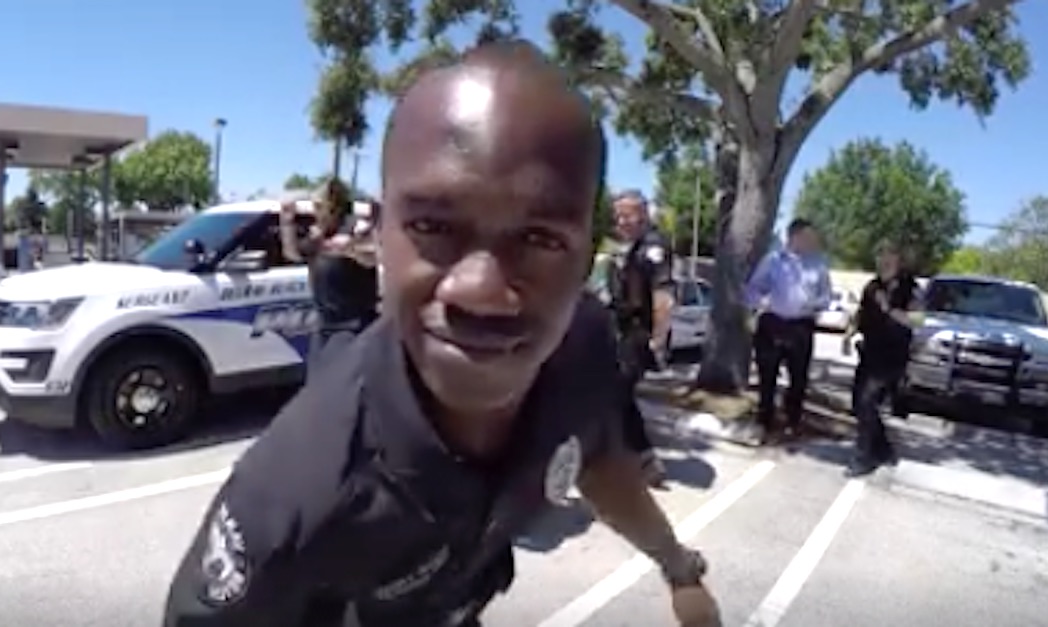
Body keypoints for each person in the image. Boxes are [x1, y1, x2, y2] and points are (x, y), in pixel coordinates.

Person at [163, 40, 719, 627]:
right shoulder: (298, 497)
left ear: (587, 261)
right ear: (381, 242)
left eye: (539, 239)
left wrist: (678, 570)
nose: (480, 289)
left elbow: (599, 464)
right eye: (432, 226)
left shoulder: (581, 342)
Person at [606, 190, 672, 488]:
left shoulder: (653, 248)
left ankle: (644, 460)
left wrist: (658, 339)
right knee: (615, 396)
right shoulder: (633, 248)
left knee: (617, 394)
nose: (620, 221)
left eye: (627, 214)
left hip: (637, 334)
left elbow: (663, 297)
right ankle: (631, 457)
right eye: (617, 215)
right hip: (623, 331)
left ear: (643, 214)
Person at [744, 218, 831, 442]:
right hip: (773, 323)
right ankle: (765, 421)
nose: (813, 242)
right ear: (795, 237)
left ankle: (792, 420)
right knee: (767, 376)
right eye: (808, 237)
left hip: (801, 325)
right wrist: (759, 304)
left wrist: (814, 303)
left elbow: (826, 296)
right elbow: (753, 288)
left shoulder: (818, 265)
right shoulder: (773, 261)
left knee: (799, 378)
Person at [279, 181, 380, 375]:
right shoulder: (319, 233)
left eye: (318, 206)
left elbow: (373, 256)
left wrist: (351, 248)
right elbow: (292, 254)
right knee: (319, 385)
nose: (314, 212)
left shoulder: (355, 227)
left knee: (345, 390)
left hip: (352, 327)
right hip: (324, 325)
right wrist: (287, 221)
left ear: (334, 206)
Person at [841, 240, 920, 477]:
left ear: (899, 260)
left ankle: (863, 457)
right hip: (869, 352)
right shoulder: (872, 287)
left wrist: (889, 309)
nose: (884, 261)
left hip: (892, 356)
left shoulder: (910, 288)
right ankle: (883, 448)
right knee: (859, 404)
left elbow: (917, 320)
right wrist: (849, 334)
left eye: (889, 256)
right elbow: (861, 314)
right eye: (880, 256)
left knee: (867, 402)